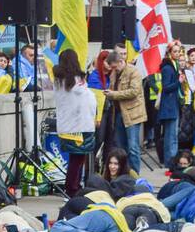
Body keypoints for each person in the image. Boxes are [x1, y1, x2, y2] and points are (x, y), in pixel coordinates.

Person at [53, 48, 97, 199]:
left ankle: (74, 185)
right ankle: (72, 187)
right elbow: (86, 97)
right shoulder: (75, 80)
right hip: (79, 125)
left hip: (69, 125)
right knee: (77, 159)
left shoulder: (59, 79)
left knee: (76, 158)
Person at [105, 47, 145, 175]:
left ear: (121, 62)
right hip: (118, 114)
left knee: (133, 147)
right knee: (120, 146)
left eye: (115, 67)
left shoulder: (134, 72)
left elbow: (134, 92)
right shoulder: (114, 73)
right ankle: (123, 174)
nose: (114, 70)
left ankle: (135, 176)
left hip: (132, 114)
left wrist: (113, 94)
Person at [158, 42, 182, 167]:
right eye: (175, 51)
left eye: (179, 51)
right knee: (170, 136)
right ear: (169, 53)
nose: (177, 54)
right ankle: (170, 162)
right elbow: (166, 87)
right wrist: (179, 82)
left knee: (173, 135)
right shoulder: (167, 68)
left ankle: (173, 161)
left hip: (174, 104)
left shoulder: (175, 66)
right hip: (169, 106)